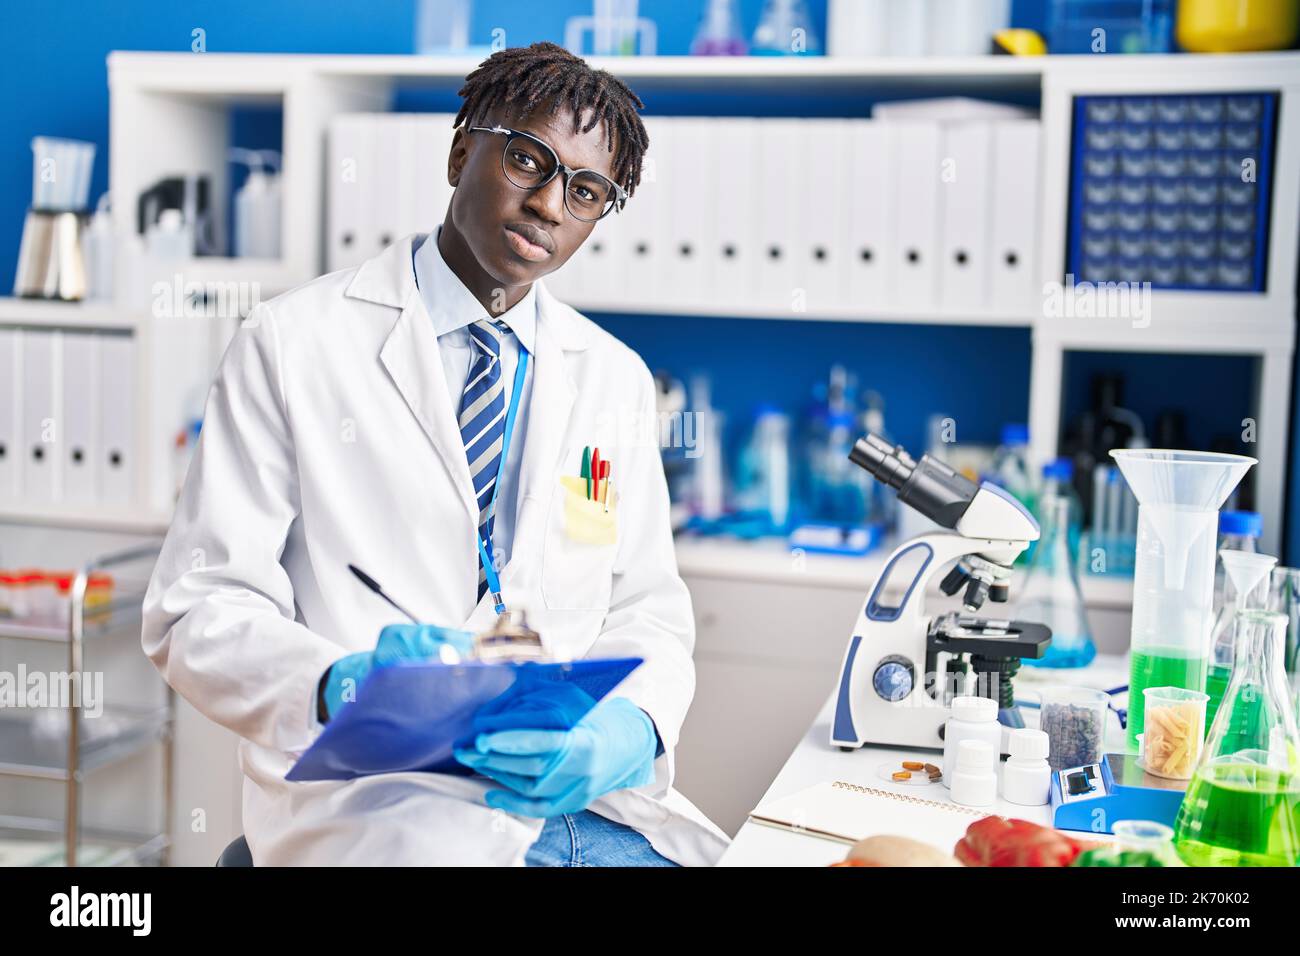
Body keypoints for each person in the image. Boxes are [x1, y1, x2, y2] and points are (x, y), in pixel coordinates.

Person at [142, 41, 729, 866]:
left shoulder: (613, 378)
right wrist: (338, 685)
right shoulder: (293, 343)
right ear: (462, 152)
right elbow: (194, 608)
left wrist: (628, 725)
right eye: (529, 160)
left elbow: (649, 610)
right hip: (379, 811)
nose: (551, 204)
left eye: (587, 190)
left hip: (580, 805)